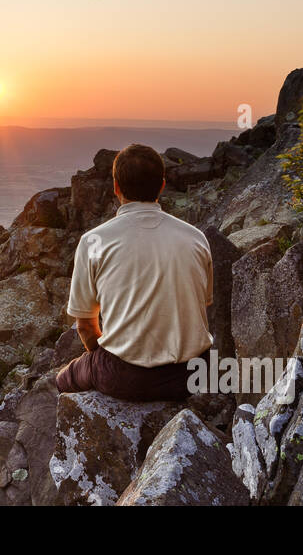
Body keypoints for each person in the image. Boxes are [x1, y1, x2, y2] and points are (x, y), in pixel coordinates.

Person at [55, 143, 214, 402]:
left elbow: (85, 326)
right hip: (194, 374)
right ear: (162, 186)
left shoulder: (93, 241)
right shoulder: (196, 238)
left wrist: (102, 356)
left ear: (116, 187)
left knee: (63, 378)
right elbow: (201, 306)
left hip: (127, 379)